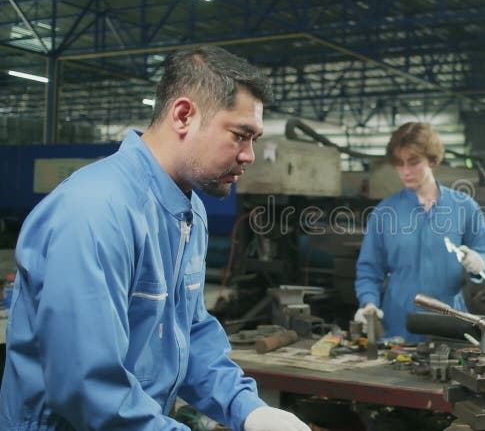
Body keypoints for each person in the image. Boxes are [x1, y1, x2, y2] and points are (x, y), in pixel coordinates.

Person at [0, 46, 310, 431]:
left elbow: (190, 335)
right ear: (184, 116)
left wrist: (248, 409)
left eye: (255, 139)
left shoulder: (188, 210)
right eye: (240, 135)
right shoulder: (95, 212)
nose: (249, 155)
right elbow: (88, 388)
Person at [354, 122, 485, 341]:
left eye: (413, 162)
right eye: (399, 164)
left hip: (449, 321)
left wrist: (480, 261)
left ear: (431, 159)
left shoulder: (463, 206)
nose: (405, 171)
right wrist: (369, 303)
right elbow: (369, 270)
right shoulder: (386, 211)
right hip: (399, 322)